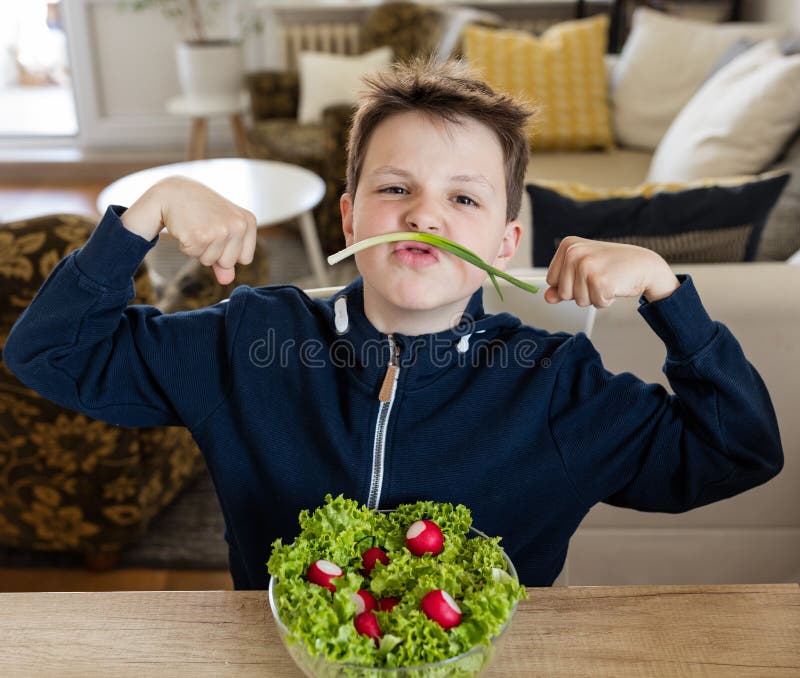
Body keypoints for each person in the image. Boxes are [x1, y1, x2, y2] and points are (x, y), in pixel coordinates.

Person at [3, 61, 782, 590]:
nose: (424, 213)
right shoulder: (247, 341)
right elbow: (48, 352)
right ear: (348, 217)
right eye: (395, 187)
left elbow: (739, 451)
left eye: (465, 200)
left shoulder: (558, 387)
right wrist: (144, 215)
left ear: (505, 246)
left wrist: (666, 295)